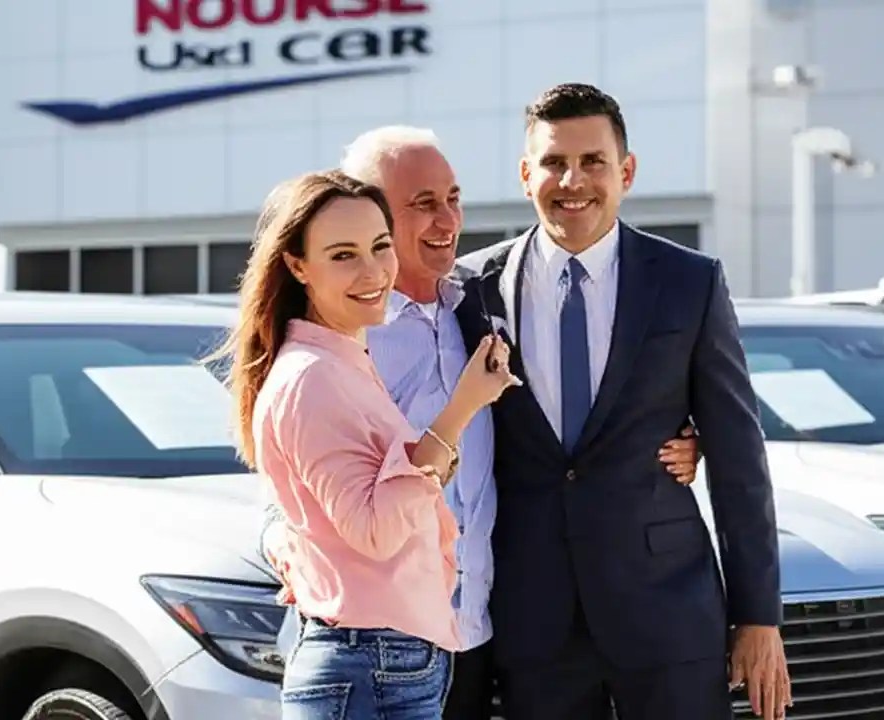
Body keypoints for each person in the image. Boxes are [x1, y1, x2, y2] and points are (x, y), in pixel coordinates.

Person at [333, 126, 702, 719]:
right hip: (384, 643)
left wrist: (684, 436)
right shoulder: (344, 337)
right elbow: (300, 474)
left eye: (453, 199)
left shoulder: (475, 305)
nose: (446, 221)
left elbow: (565, 421)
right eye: (423, 204)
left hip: (473, 634)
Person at [453, 83, 791, 720]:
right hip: (532, 620)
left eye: (593, 162)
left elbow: (740, 458)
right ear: (526, 175)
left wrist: (757, 616)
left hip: (668, 612)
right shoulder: (470, 292)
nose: (572, 180)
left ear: (626, 172)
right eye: (553, 162)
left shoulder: (689, 281)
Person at [218, 169, 519, 719]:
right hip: (372, 664)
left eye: (381, 246)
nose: (374, 270)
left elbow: (333, 515)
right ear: (297, 266)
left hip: (381, 658)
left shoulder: (337, 360)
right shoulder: (314, 377)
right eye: (343, 255)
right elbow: (376, 529)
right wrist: (462, 407)